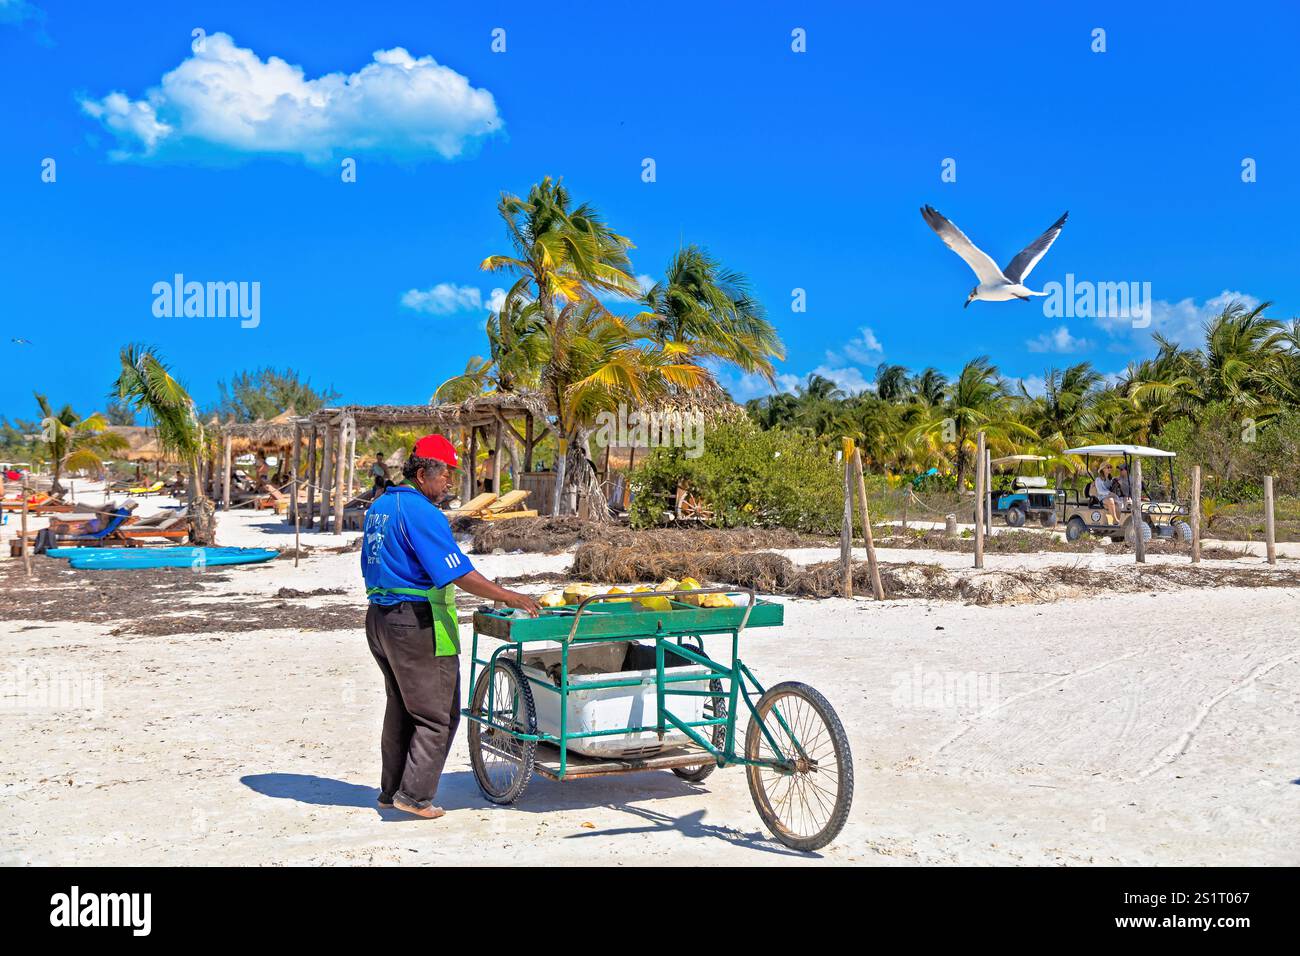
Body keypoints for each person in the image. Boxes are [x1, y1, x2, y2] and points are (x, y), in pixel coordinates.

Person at [361, 434, 540, 820]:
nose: (449, 484)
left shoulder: (381, 504)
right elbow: (456, 571)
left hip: (379, 617)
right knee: (437, 714)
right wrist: (507, 595)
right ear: (423, 472)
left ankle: (390, 791)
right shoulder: (421, 512)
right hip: (413, 621)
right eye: (445, 475)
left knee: (402, 708)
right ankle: (414, 796)